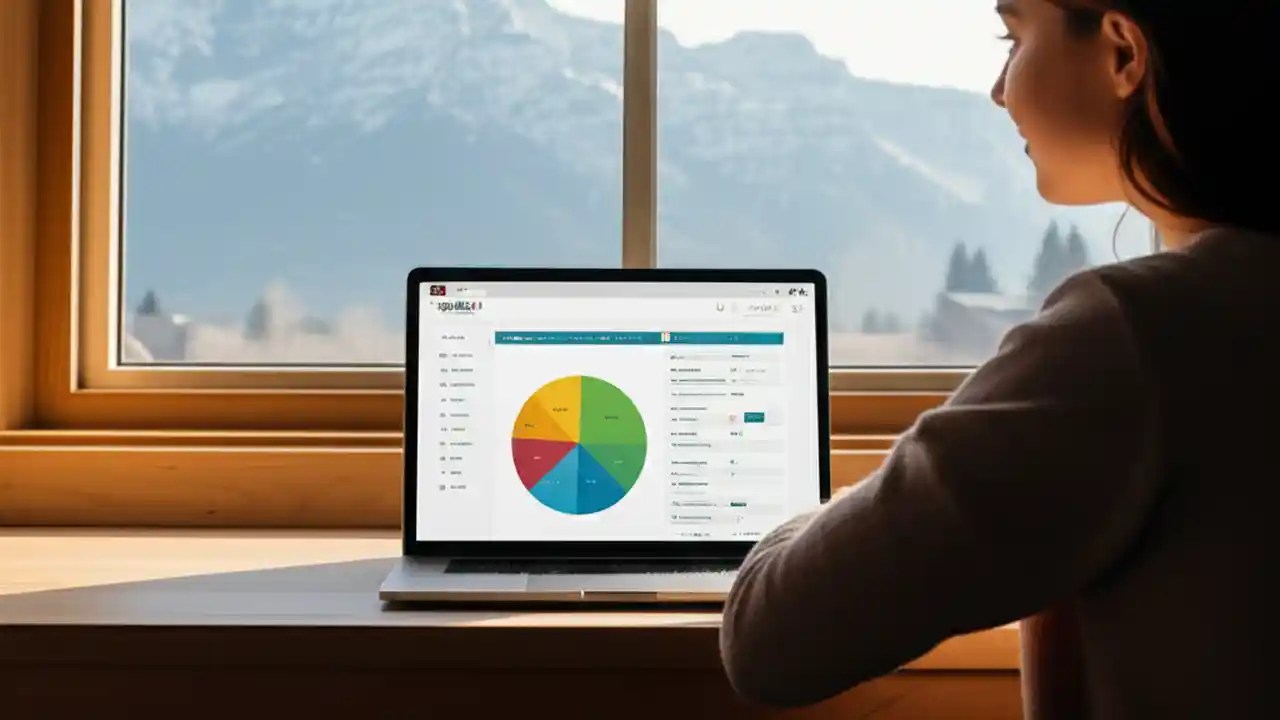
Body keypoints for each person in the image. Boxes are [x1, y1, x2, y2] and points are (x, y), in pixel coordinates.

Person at [719, 1, 1279, 718]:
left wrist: (827, 514)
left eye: (1011, 38)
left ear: (1122, 55)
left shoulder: (1138, 334)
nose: (997, 88)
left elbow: (770, 638)